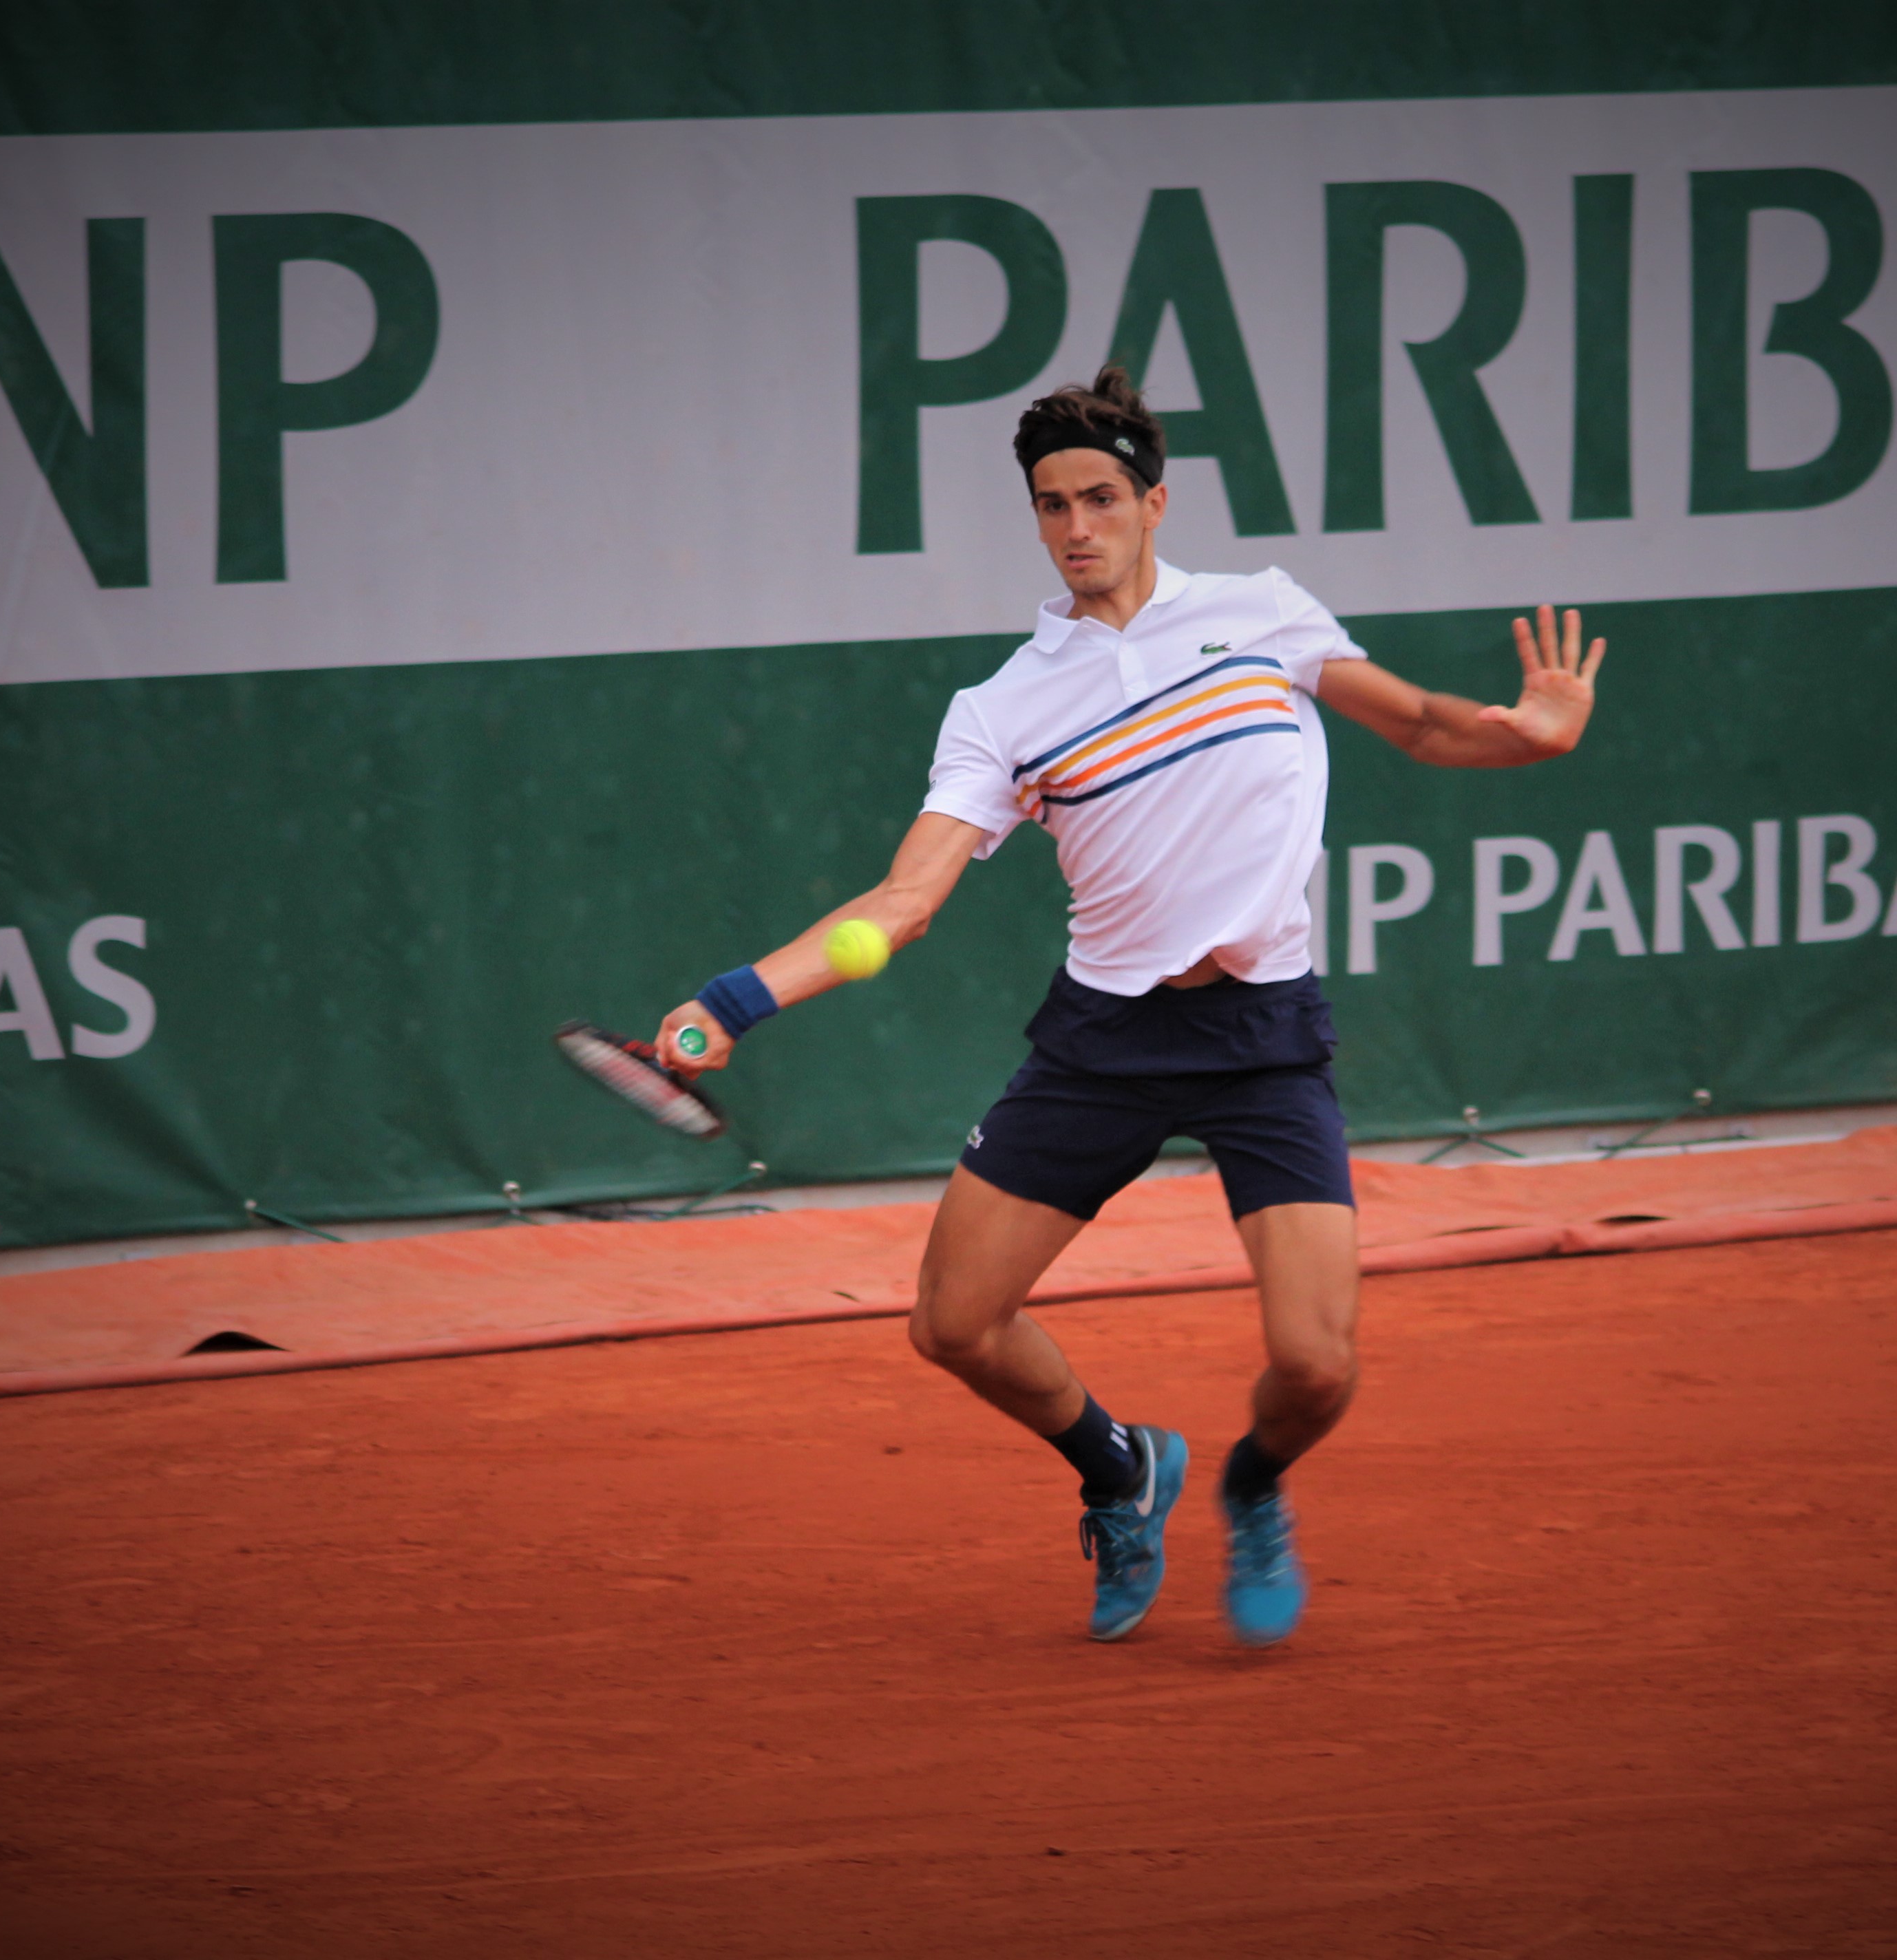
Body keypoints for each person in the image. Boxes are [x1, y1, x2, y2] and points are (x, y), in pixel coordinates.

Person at [657, 367, 1604, 1646]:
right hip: (1105, 1040)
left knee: (1318, 1367)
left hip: (1262, 1037)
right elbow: (907, 895)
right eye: (1052, 505)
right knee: (954, 1325)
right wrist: (739, 1000)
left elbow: (1429, 727)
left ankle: (1253, 1482)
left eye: (1101, 497)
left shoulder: (1262, 614)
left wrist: (1529, 735)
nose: (1076, 526)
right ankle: (1119, 1470)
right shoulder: (1003, 709)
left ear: (1155, 501)